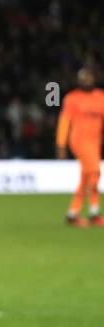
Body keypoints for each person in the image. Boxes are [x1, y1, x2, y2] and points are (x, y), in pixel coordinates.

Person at [57, 66, 104, 227]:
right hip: (79, 141)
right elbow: (64, 122)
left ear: (94, 79)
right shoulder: (72, 99)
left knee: (86, 178)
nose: (86, 81)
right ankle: (94, 212)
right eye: (83, 78)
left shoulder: (100, 97)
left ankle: (72, 214)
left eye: (89, 77)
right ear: (78, 81)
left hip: (95, 142)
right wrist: (61, 144)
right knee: (95, 172)